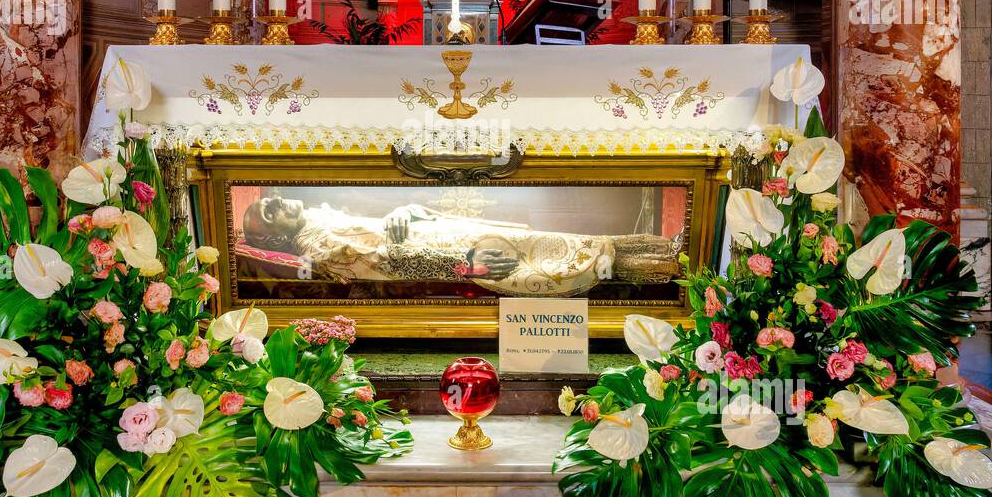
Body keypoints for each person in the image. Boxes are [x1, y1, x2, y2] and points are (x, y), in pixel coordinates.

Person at [241, 196, 680, 297]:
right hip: (448, 249)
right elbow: (387, 261)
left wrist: (404, 210)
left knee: (550, 244)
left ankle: (661, 254)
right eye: (269, 212)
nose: (276, 202)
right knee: (548, 252)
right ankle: (660, 265)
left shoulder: (319, 219)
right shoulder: (318, 244)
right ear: (276, 238)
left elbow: (383, 228)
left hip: (438, 232)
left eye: (269, 201)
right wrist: (465, 263)